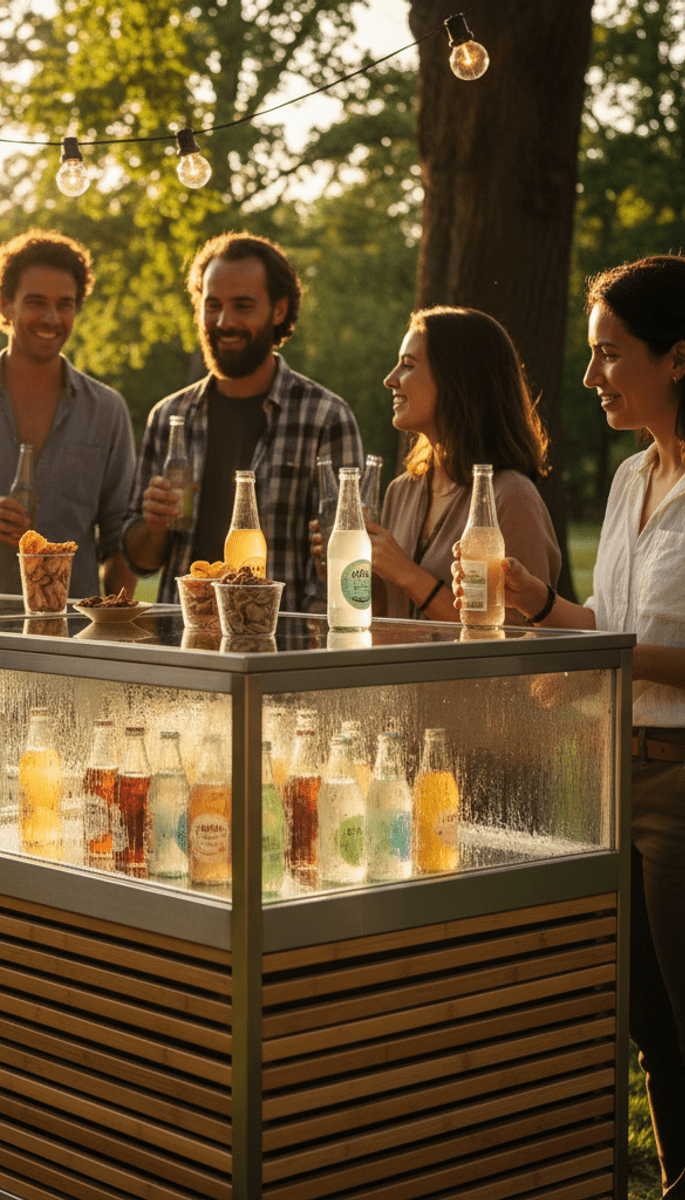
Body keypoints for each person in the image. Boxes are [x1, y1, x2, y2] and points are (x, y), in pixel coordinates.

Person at [482, 256, 685, 1196]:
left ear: (677, 357)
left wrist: (601, 658)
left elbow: (628, 651)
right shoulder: (630, 478)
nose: (593, 375)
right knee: (648, 1018)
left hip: (682, 784)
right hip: (621, 770)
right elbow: (614, 626)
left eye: (611, 354)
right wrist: (540, 605)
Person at [122, 231, 362, 610]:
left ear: (279, 311)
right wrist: (154, 524)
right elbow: (142, 561)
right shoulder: (169, 417)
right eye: (212, 304)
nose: (224, 321)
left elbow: (345, 564)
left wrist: (306, 654)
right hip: (184, 647)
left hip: (281, 650)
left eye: (243, 306)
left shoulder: (326, 419)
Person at [0, 230, 137, 599]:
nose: (51, 318)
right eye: (36, 302)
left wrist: (119, 629)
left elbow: (119, 537)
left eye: (65, 304)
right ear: (4, 304)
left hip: (75, 635)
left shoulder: (108, 410)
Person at [313, 306, 560, 624]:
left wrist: (407, 573)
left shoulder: (511, 497)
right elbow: (387, 615)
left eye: (407, 365)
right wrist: (348, 564)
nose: (390, 380)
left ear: (457, 379)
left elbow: (517, 633)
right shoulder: (402, 491)